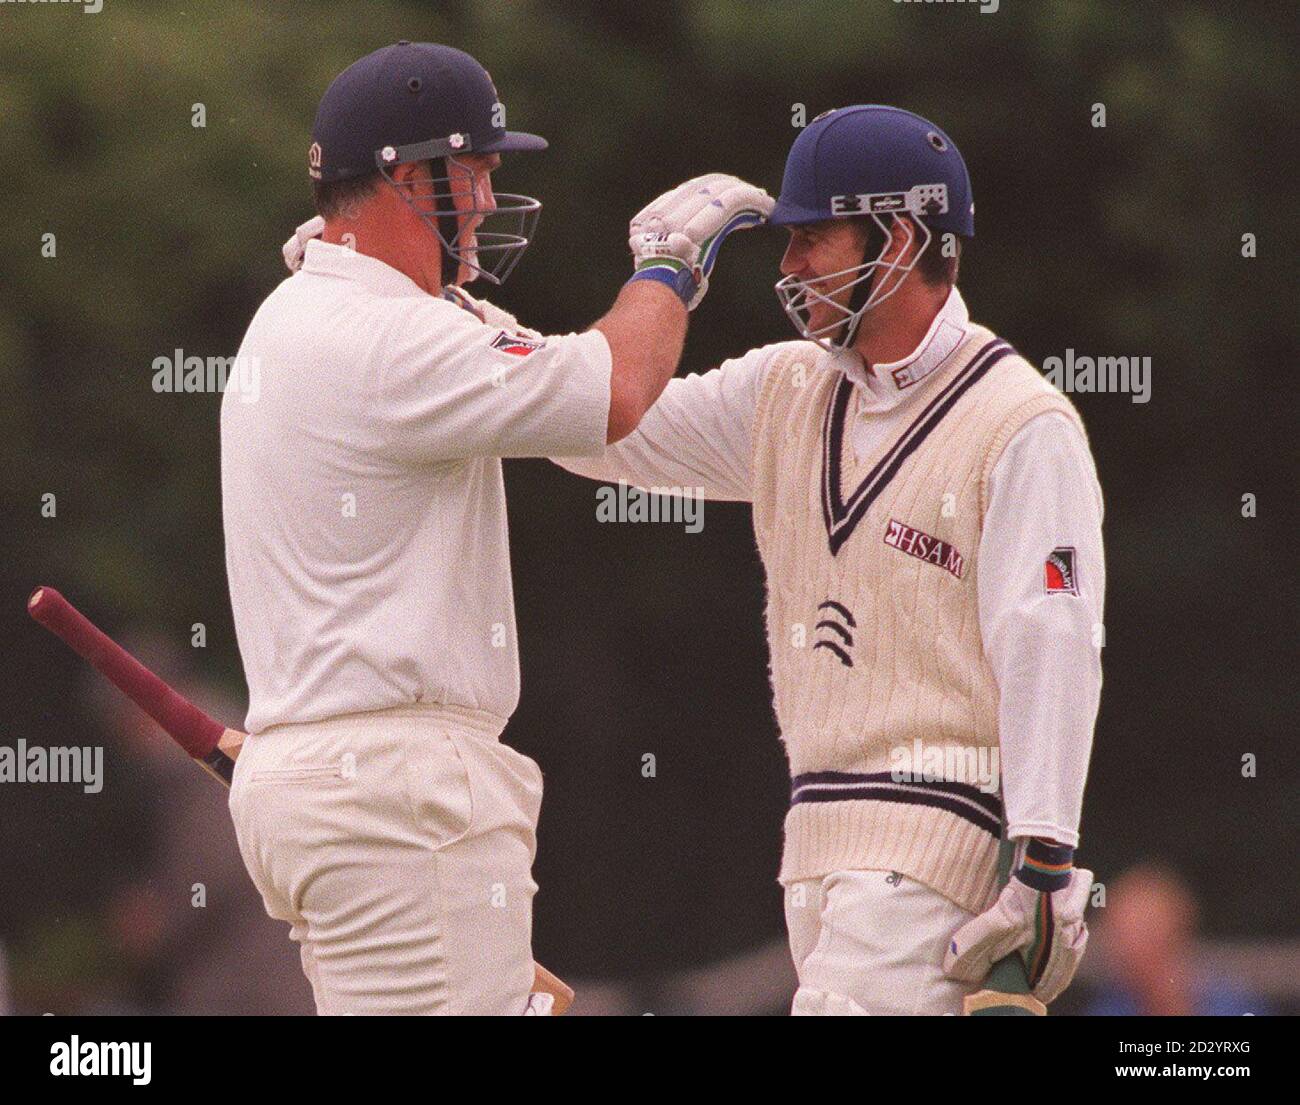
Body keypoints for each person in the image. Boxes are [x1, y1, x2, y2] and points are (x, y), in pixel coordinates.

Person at [222, 40, 770, 1015]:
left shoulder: (302, 317)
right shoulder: (388, 338)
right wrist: (668, 269)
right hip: (399, 803)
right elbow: (613, 389)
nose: (482, 198)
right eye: (473, 170)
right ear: (404, 174)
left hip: (337, 795)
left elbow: (575, 413)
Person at [555, 105, 1103, 1014]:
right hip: (815, 842)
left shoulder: (1021, 423)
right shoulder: (786, 390)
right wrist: (433, 316)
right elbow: (594, 427)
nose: (788, 265)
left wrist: (1045, 856)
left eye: (812, 239)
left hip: (934, 845)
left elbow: (1051, 634)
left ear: (895, 240)